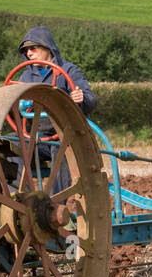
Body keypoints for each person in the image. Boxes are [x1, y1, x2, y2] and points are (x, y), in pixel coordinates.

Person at [13, 27, 97, 194]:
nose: (29, 53)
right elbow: (16, 108)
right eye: (25, 50)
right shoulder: (26, 77)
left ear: (47, 47)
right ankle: (21, 199)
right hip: (36, 138)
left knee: (63, 148)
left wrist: (82, 98)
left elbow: (90, 99)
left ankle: (54, 204)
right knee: (10, 142)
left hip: (62, 135)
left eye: (33, 48)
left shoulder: (69, 70)